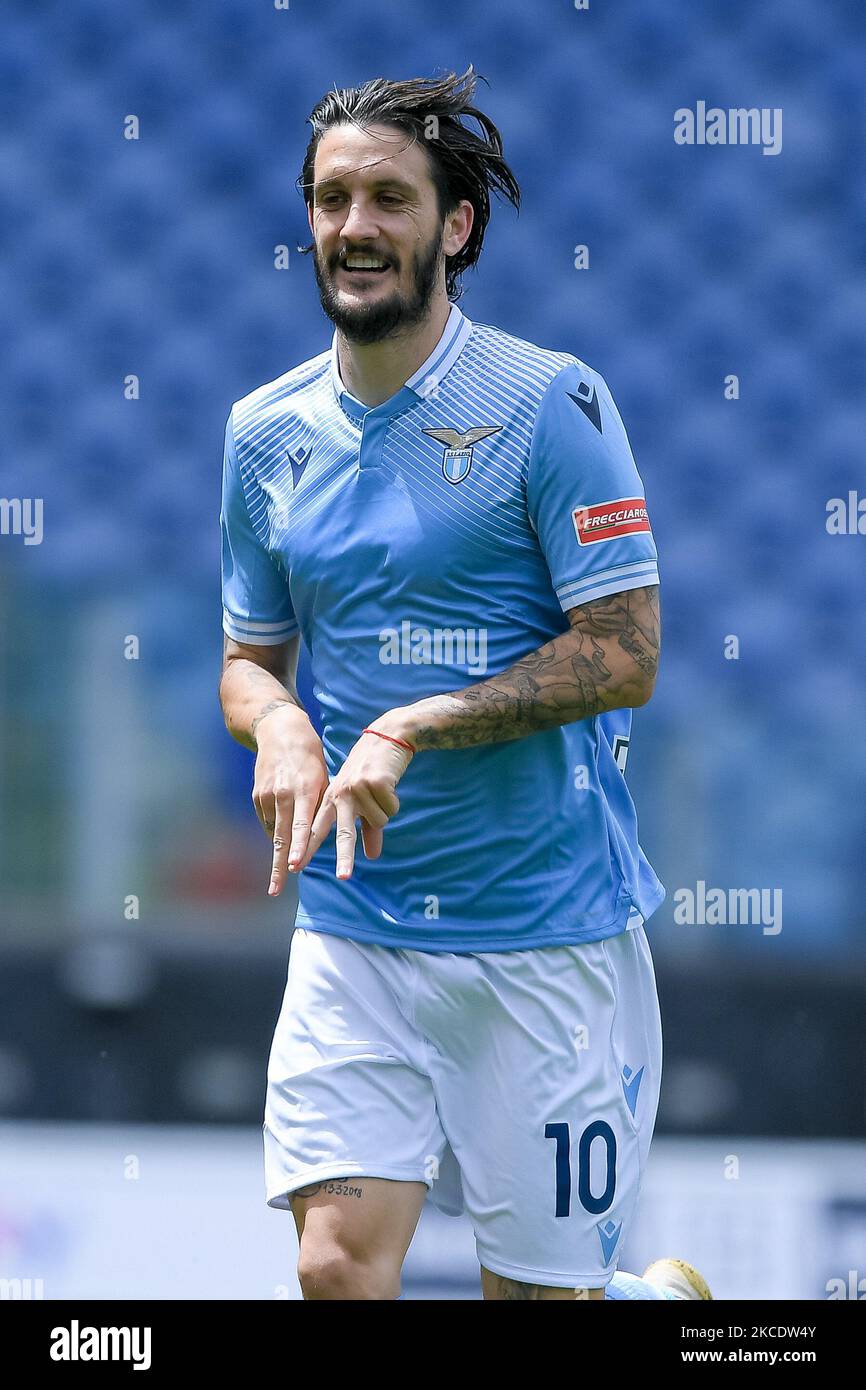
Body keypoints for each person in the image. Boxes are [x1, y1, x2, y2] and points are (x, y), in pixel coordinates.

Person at [218, 67, 711, 1301]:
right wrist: (277, 722)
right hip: (356, 924)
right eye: (332, 198)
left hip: (542, 936)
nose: (355, 227)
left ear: (457, 226)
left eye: (390, 196)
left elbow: (626, 650)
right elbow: (247, 658)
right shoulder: (262, 434)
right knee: (335, 1269)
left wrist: (412, 724)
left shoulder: (551, 404)